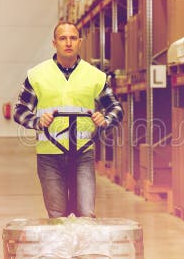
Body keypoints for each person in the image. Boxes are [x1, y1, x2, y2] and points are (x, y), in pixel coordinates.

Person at [14, 21, 123, 218]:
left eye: (73, 38)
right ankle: (61, 250)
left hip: (83, 153)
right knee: (57, 216)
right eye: (63, 38)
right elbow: (20, 110)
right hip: (49, 156)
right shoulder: (37, 75)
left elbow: (116, 108)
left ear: (80, 42)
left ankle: (83, 249)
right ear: (54, 43)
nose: (68, 43)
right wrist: (38, 122)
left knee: (86, 213)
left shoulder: (95, 76)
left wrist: (105, 120)